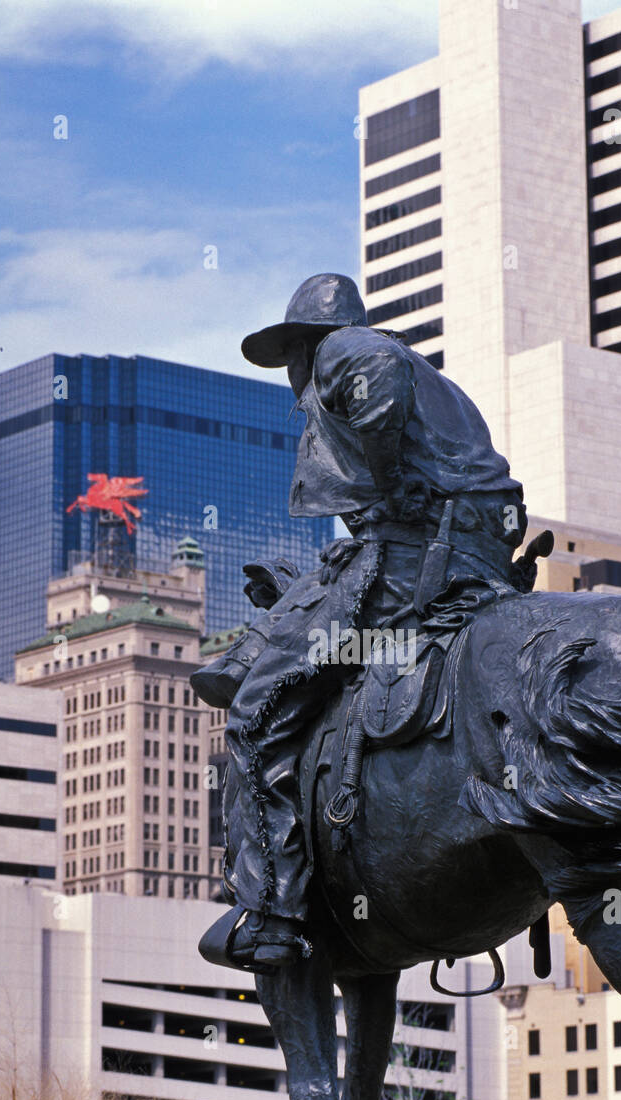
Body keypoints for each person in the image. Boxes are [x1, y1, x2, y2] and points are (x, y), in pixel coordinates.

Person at [192, 272, 527, 971]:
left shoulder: (352, 349)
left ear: (309, 341)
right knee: (322, 585)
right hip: (477, 550)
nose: (291, 369)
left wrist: (387, 480)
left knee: (257, 715)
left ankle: (274, 910)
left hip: (418, 555)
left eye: (291, 350)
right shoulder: (442, 387)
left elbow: (375, 396)